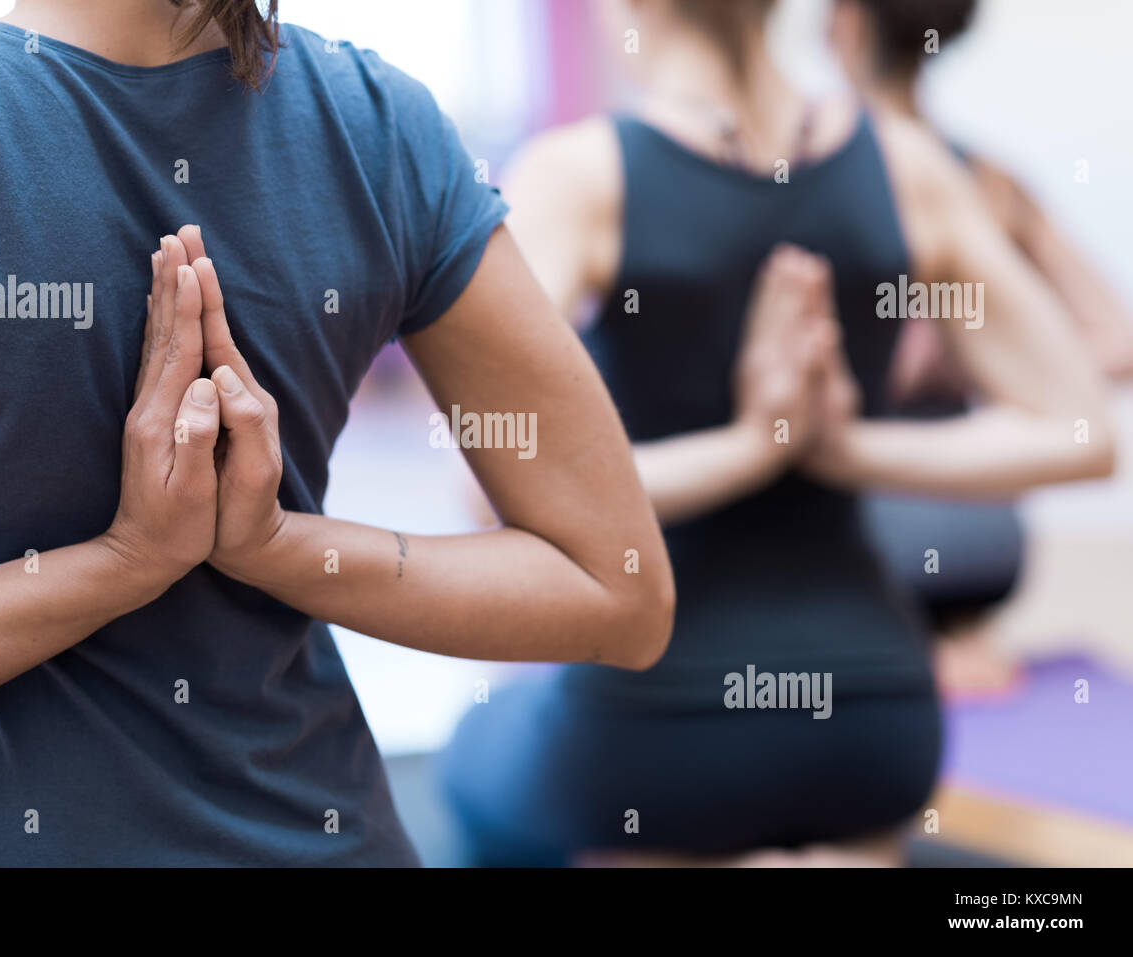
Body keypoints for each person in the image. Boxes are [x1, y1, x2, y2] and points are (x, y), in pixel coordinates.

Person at [0, 0, 677, 866]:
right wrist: (268, 546)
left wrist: (135, 560)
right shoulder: (379, 125)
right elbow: (619, 591)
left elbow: (621, 598)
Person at [441, 0, 1114, 865]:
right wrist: (838, 445)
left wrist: (756, 446)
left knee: (469, 764)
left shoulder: (580, 170)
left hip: (656, 726)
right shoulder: (904, 161)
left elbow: (488, 485)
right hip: (873, 722)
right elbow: (1082, 432)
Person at [831, 0, 1133, 690]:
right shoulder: (987, 180)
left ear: (844, 24)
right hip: (982, 530)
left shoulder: (810, 174)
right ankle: (943, 643)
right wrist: (1004, 363)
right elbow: (1118, 336)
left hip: (871, 532)